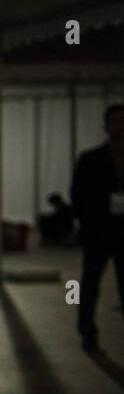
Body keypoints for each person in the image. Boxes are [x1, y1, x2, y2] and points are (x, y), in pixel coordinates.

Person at [70, 103, 124, 352]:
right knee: (89, 284)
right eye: (115, 121)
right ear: (106, 127)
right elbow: (77, 195)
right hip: (98, 230)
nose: (119, 127)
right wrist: (86, 223)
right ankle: (86, 331)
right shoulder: (90, 159)